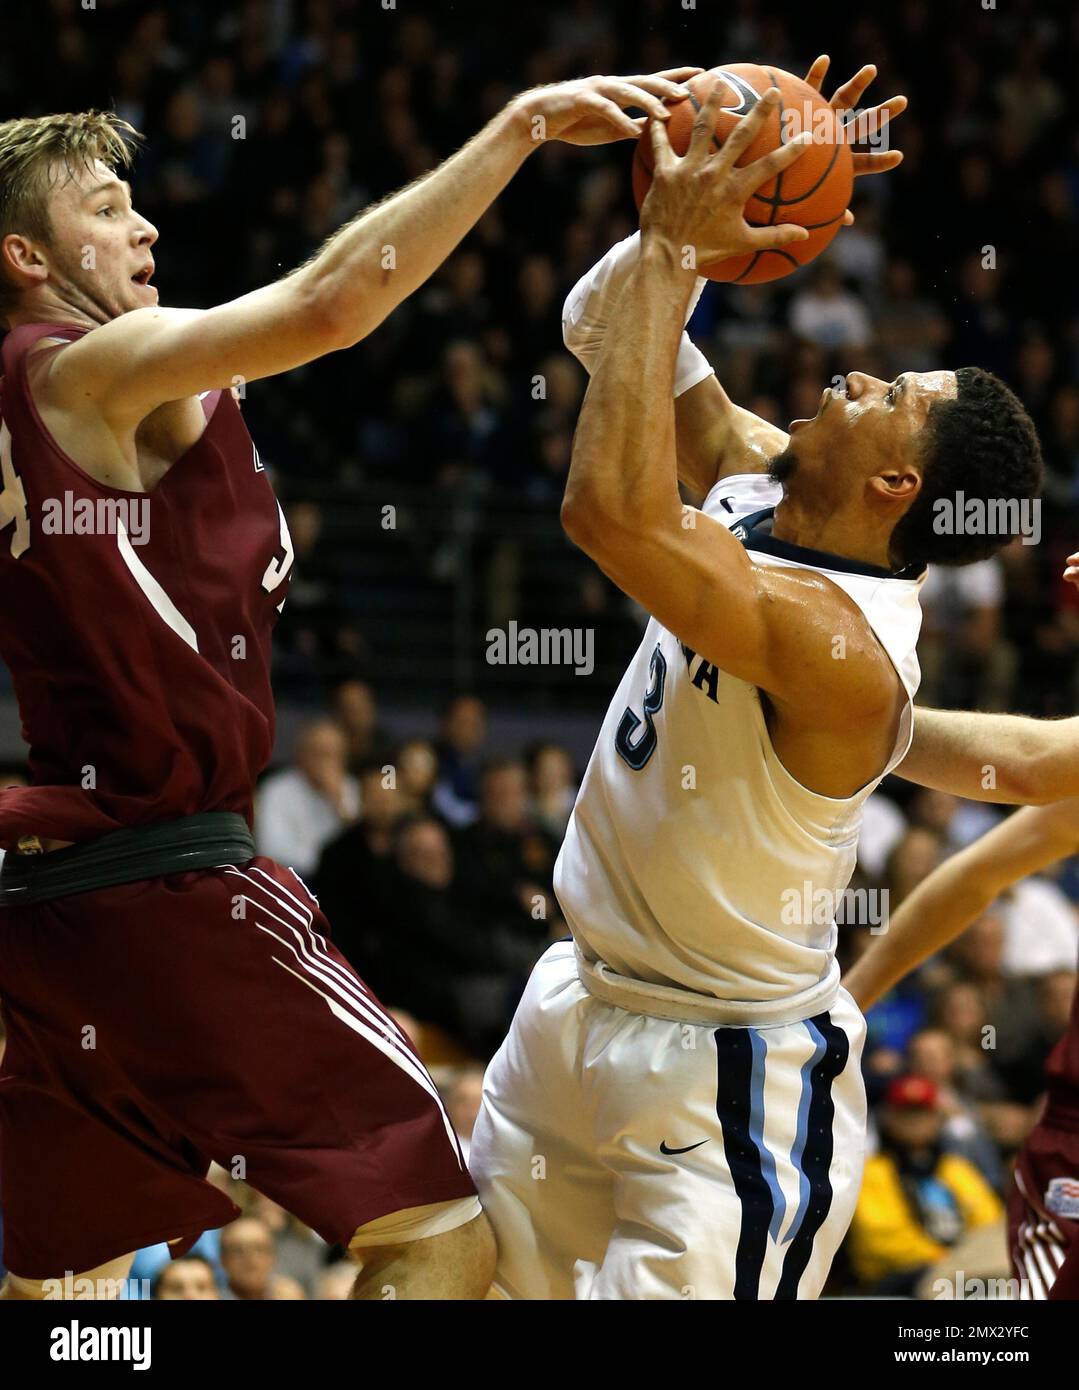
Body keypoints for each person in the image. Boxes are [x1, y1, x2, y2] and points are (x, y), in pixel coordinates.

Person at [0, 66, 700, 1301]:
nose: (144, 226)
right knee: (438, 1238)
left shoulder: (75, 395)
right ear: (23, 253)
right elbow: (331, 302)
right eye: (107, 207)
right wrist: (523, 121)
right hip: (174, 886)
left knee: (71, 1281)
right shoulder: (82, 374)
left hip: (62, 911)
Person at [470, 64, 1043, 1300]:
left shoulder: (839, 647)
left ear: (897, 487)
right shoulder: (760, 474)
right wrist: (733, 168)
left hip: (722, 1070)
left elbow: (610, 513)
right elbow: (599, 321)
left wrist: (676, 253)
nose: (851, 377)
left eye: (886, 397)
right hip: (575, 1000)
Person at [845, 796, 1079, 1298]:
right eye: (909, 1115)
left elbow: (990, 1220)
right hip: (921, 1272)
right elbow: (883, 1245)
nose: (916, 1122)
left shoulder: (954, 1162)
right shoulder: (881, 1169)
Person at [847, 1074, 1003, 1295]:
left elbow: (989, 1224)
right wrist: (944, 1260)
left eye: (922, 1113)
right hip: (898, 1279)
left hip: (963, 1270)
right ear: (887, 1118)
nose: (915, 1121)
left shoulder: (956, 1169)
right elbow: (880, 1239)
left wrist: (962, 1261)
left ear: (938, 1119)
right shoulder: (872, 1172)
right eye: (905, 1113)